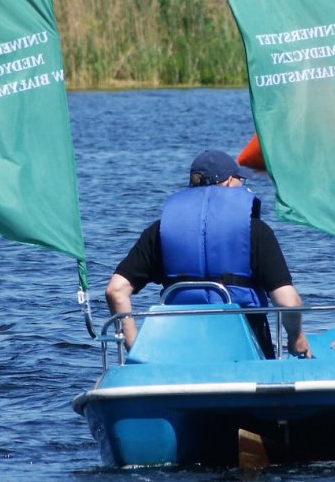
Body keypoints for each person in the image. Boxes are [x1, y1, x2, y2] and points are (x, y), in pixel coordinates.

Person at [104, 150, 312, 358]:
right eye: (240, 179)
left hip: (180, 353)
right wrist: (296, 337)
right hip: (245, 352)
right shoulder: (255, 231)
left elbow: (116, 291)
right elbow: (287, 302)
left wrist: (136, 351)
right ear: (230, 182)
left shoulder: (160, 231)